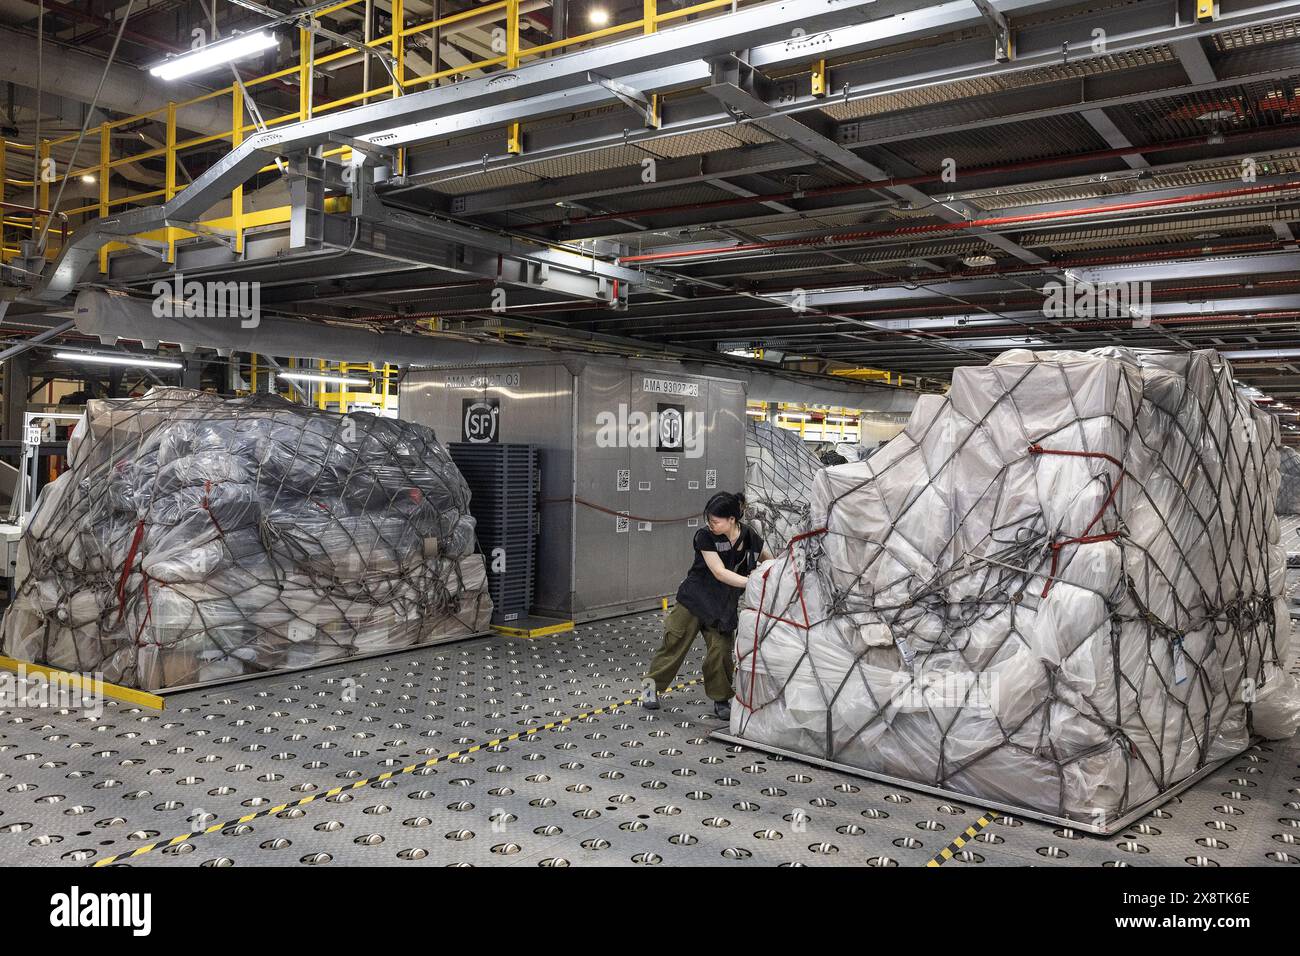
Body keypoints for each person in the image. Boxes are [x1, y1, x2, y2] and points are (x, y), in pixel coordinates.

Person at [643, 491, 772, 719]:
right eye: (709, 520)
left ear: (732, 519)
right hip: (694, 600)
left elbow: (769, 562)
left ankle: (721, 699)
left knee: (721, 653)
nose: (710, 524)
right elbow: (719, 572)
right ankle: (649, 690)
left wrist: (777, 575)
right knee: (674, 644)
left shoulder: (751, 538)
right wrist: (754, 582)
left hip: (723, 605)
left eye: (715, 520)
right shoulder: (705, 536)